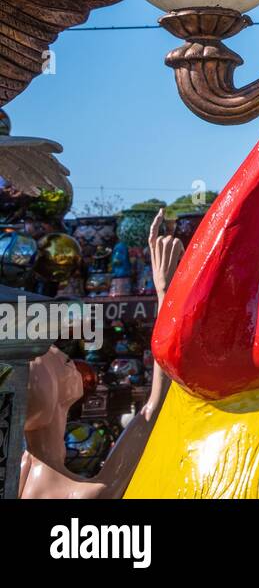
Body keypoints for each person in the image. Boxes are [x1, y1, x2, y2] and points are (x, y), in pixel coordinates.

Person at [19, 210, 183, 498]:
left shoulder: (19, 473)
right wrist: (165, 293)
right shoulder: (86, 494)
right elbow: (154, 407)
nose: (76, 365)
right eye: (67, 362)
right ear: (59, 392)